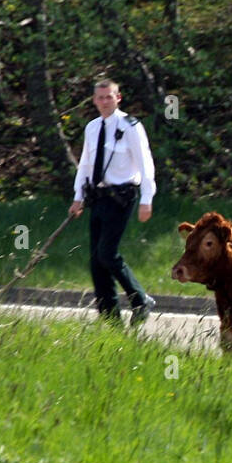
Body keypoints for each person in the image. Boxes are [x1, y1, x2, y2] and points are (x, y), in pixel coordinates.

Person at [69, 79, 157, 323]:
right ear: (94, 100)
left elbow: (145, 163)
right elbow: (85, 164)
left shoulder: (131, 126)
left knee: (107, 253)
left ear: (118, 98)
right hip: (98, 198)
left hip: (122, 197)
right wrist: (78, 197)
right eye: (100, 97)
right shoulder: (92, 127)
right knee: (97, 262)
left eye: (109, 97)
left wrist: (147, 199)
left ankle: (140, 298)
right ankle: (110, 319)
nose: (104, 101)